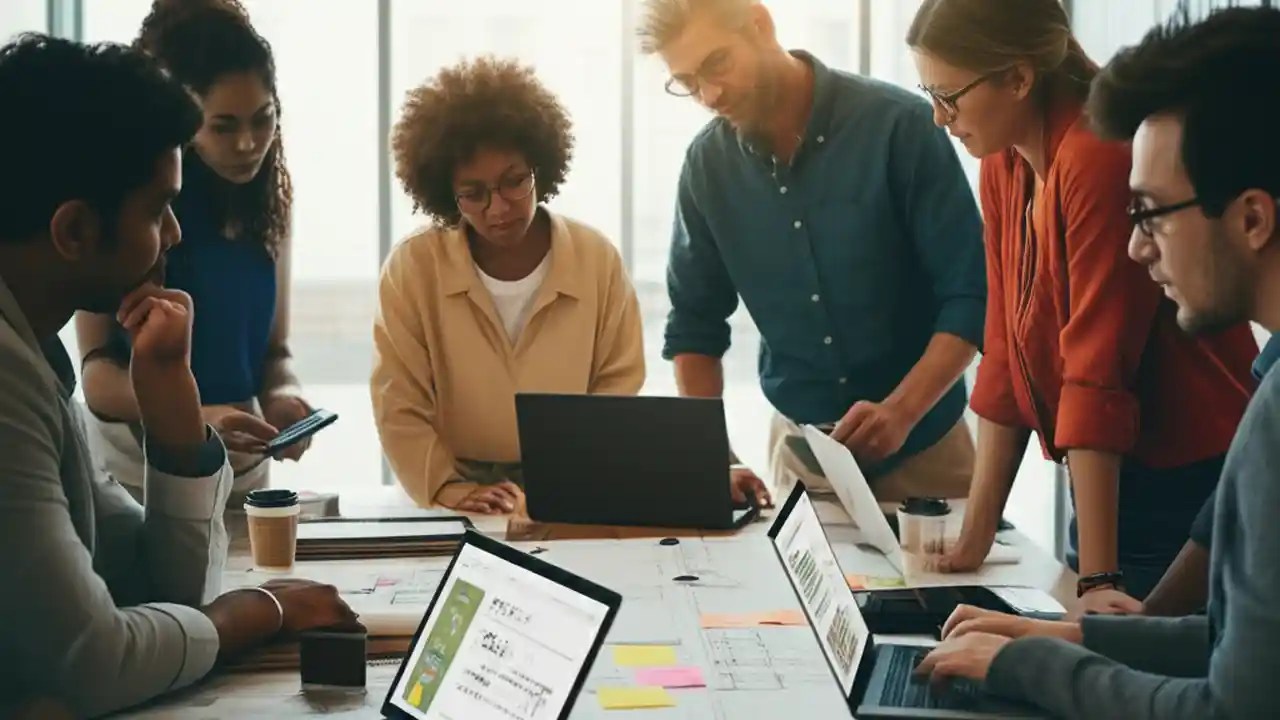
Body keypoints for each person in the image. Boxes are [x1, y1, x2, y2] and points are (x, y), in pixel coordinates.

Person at [914, 8, 1280, 717]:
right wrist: (1076, 634)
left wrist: (1044, 656)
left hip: (1165, 470)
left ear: (1253, 219)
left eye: (1148, 214)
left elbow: (1234, 705)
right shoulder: (1269, 390)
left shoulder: (1272, 420)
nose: (1138, 249)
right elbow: (1230, 644)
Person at [0, 34, 354, 718]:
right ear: (73, 231)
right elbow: (93, 662)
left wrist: (173, 413)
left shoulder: (33, 355)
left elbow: (155, 592)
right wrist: (260, 611)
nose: (174, 235)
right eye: (156, 210)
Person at [372, 57, 769, 513]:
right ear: (445, 192)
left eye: (513, 182)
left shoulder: (595, 259)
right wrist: (447, 489)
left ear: (541, 165)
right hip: (454, 489)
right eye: (474, 193)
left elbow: (616, 390)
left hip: (573, 478)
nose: (498, 207)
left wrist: (581, 475)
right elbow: (399, 400)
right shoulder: (413, 267)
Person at [638, 0, 986, 505]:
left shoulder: (900, 127)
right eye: (689, 83)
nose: (710, 95)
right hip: (801, 462)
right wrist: (713, 456)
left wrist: (903, 410)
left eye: (717, 63)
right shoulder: (706, 167)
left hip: (927, 452)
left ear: (760, 25)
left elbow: (970, 293)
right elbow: (695, 326)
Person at [76, 0, 311, 505]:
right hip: (136, 475)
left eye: (263, 118)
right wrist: (194, 415)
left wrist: (282, 398)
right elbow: (96, 374)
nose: (249, 143)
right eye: (223, 126)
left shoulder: (271, 206)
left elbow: (274, 352)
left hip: (244, 469)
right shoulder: (135, 206)